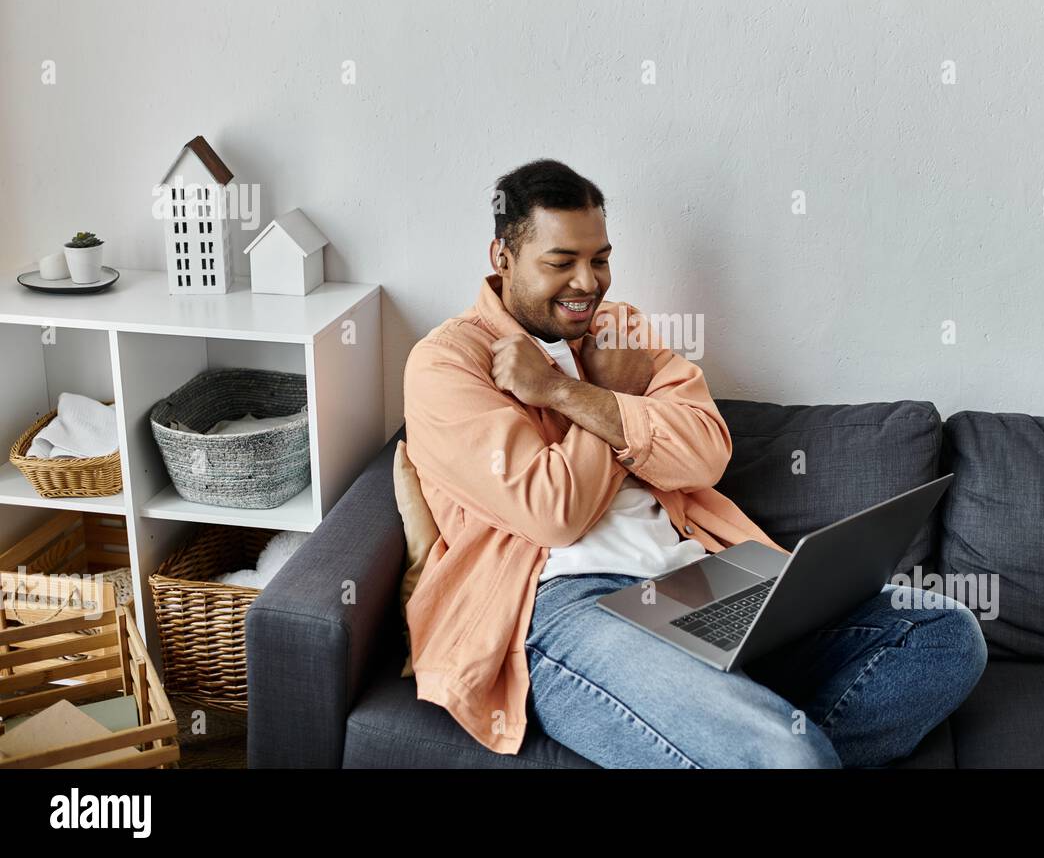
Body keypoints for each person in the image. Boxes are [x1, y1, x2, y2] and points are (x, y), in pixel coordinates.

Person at [402, 158, 987, 767]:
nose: (587, 283)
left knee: (942, 633)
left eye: (599, 259)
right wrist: (620, 402)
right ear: (502, 258)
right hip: (568, 606)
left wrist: (572, 394)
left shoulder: (618, 330)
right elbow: (553, 512)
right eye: (560, 262)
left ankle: (761, 744)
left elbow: (705, 452)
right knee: (784, 754)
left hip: (701, 577)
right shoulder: (447, 364)